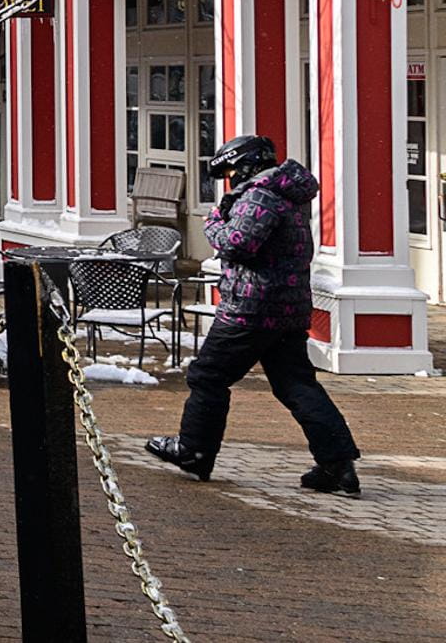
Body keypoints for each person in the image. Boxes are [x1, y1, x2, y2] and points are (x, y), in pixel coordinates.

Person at [147, 135, 362, 495]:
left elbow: (237, 243)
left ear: (246, 166)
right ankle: (338, 465)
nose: (230, 180)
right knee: (296, 384)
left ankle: (194, 451)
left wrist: (214, 221)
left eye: (231, 172)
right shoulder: (286, 194)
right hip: (287, 308)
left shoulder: (260, 195)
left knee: (208, 375)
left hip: (251, 307)